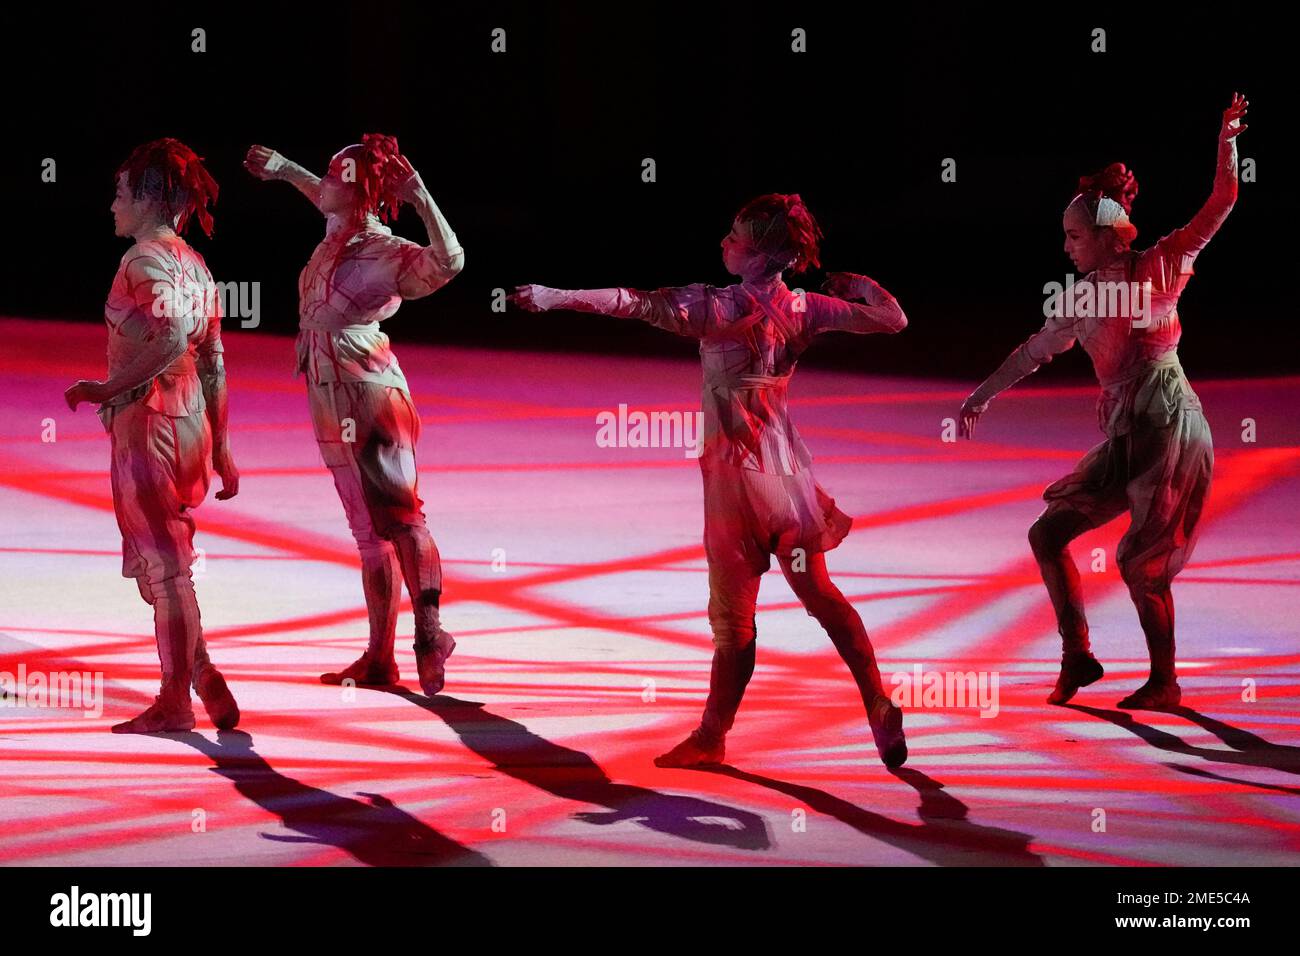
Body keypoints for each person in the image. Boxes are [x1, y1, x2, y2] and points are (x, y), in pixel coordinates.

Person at [511, 193, 909, 768]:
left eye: (736, 236)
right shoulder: (805, 309)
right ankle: (875, 701)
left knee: (734, 622)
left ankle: (712, 737)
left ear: (758, 256)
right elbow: (893, 319)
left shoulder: (716, 308)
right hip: (787, 478)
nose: (724, 241)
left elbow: (630, 303)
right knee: (820, 594)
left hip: (734, 486)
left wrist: (552, 296)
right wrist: (860, 285)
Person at [959, 94, 1248, 710]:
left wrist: (1227, 142)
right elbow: (1033, 350)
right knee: (1049, 534)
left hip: (1168, 426)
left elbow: (1222, 203)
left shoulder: (1161, 265)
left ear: (1107, 232)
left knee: (1140, 561)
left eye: (1073, 235)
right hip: (1129, 432)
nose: (1065, 246)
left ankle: (1165, 682)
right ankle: (1078, 655)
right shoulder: (1079, 298)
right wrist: (981, 395)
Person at [244, 135, 463, 695]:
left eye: (335, 176)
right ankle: (379, 658)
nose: (326, 183)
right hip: (327, 391)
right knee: (367, 533)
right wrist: (285, 168)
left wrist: (417, 195)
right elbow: (324, 197)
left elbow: (450, 261)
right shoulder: (337, 233)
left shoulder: (383, 250)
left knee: (402, 516)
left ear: (357, 191)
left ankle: (430, 632)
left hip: (368, 390)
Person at [65, 138, 241, 733]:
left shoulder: (141, 261)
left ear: (146, 197)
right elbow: (213, 357)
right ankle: (201, 671)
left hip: (151, 420)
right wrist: (219, 444)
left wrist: (105, 390)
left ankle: (175, 700)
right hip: (189, 419)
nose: (112, 204)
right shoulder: (196, 263)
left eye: (119, 193)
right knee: (168, 564)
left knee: (166, 567)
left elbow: (169, 341)